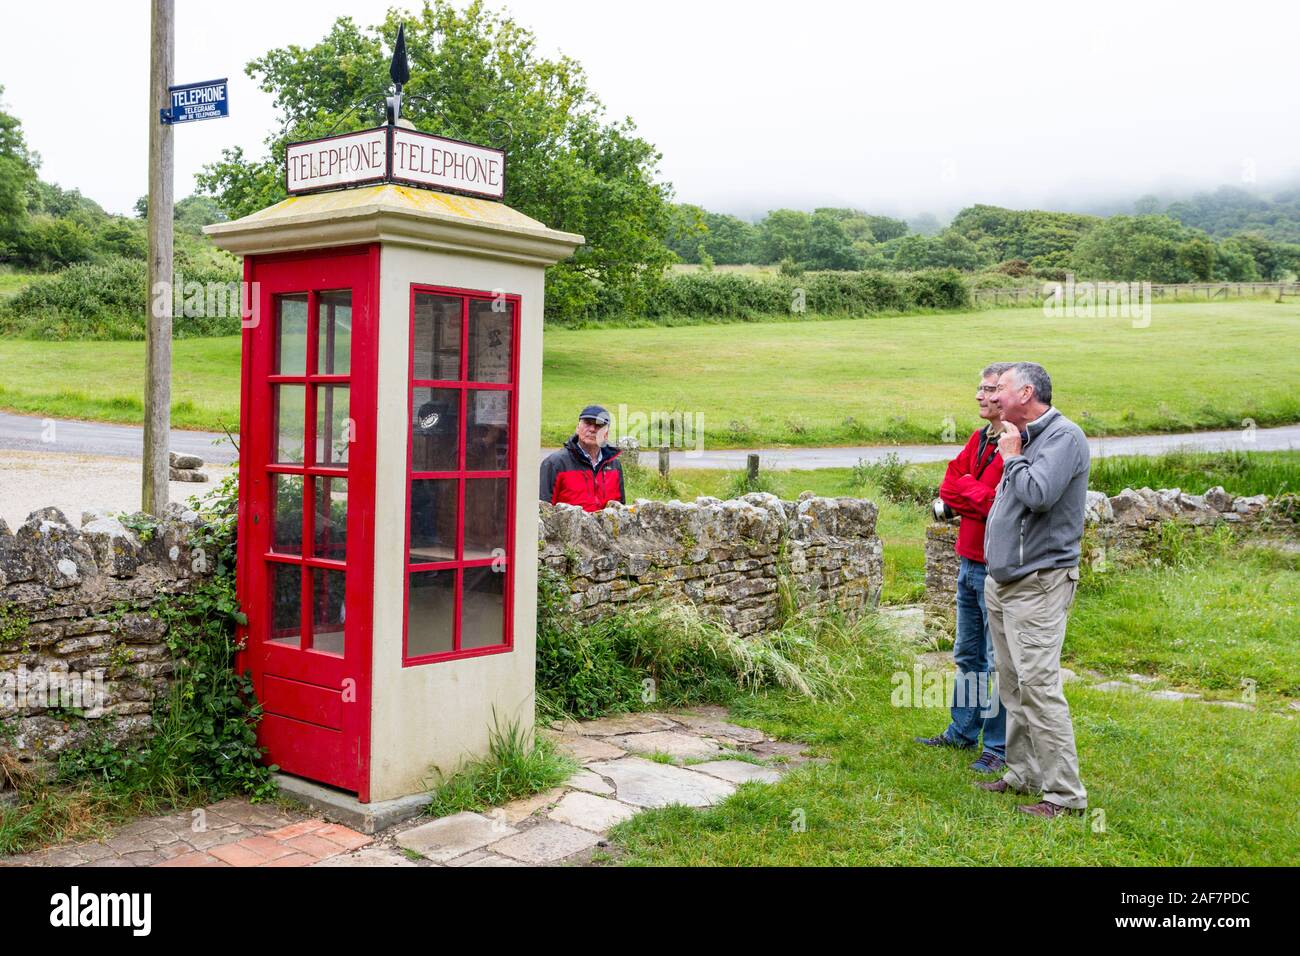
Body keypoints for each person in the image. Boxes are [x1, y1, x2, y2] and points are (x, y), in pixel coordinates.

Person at [976, 362, 1090, 818]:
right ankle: (1024, 772)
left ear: (1026, 393)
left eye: (999, 388)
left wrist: (1011, 456)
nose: (992, 394)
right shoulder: (1020, 436)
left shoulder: (1064, 437)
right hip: (1003, 583)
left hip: (1039, 583)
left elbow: (1039, 494)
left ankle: (1065, 796)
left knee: (1039, 686)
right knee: (1012, 685)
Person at [914, 363, 1013, 774]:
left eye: (989, 389)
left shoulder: (1015, 444)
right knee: (968, 654)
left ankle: (997, 747)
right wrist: (970, 493)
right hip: (968, 558)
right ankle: (962, 730)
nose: (979, 396)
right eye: (979, 387)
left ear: (1007, 395)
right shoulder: (980, 438)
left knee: (998, 660)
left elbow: (996, 503)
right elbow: (949, 484)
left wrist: (966, 494)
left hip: (996, 567)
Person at [540, 405, 625, 511]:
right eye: (588, 423)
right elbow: (543, 510)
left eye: (599, 426)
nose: (592, 429)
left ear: (606, 434)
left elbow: (621, 510)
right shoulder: (555, 463)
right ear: (577, 427)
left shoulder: (614, 465)